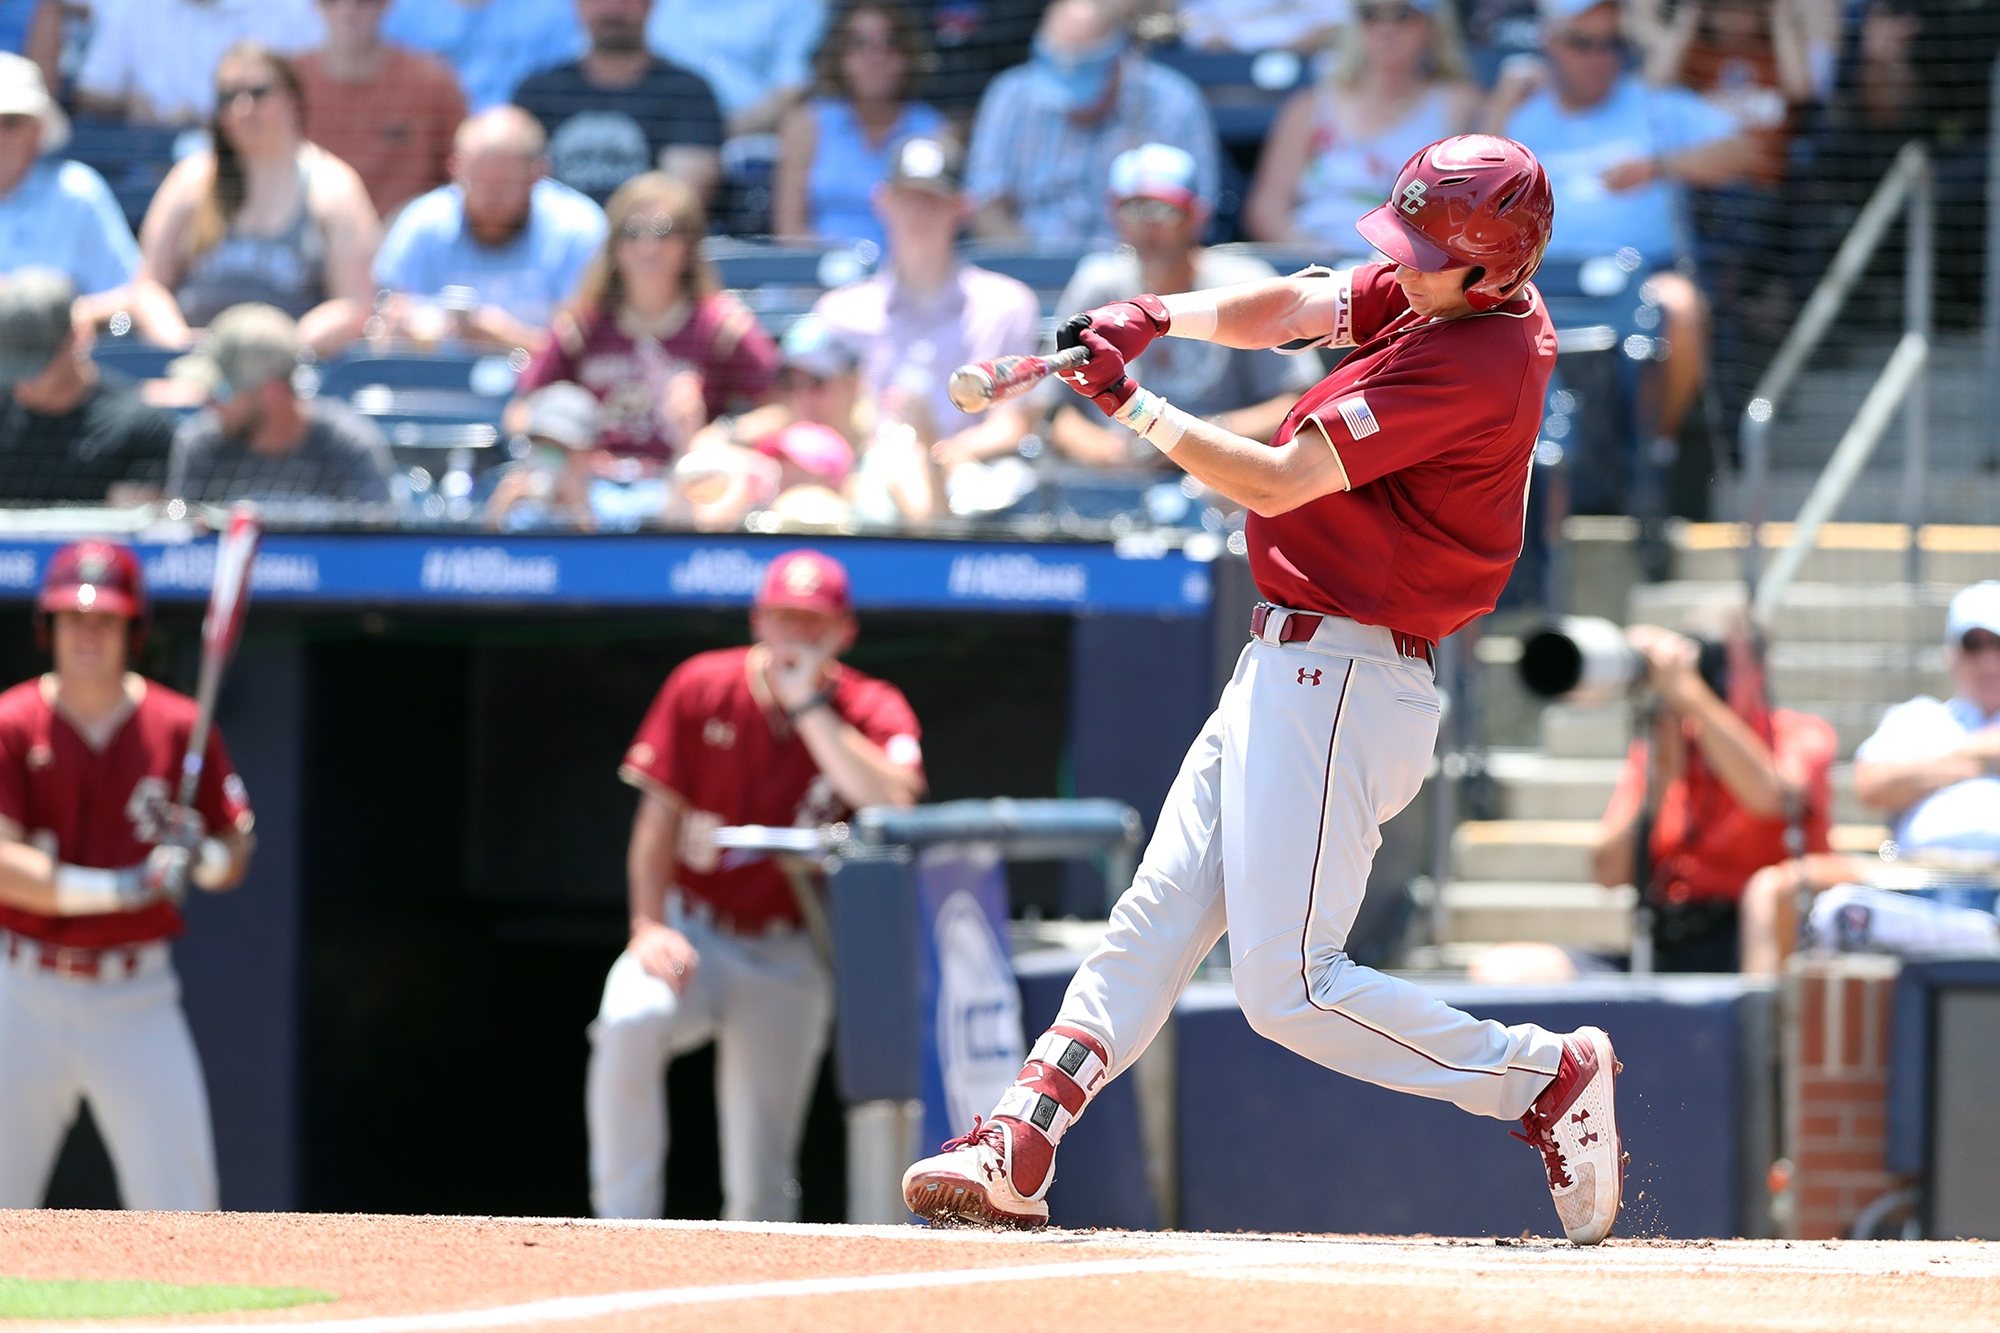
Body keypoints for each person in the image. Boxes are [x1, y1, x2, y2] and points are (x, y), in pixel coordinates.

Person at [902, 135, 1628, 1248]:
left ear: (1493, 270)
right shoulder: (1451, 282)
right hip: (1291, 660)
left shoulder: (1476, 355)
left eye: (1429, 250)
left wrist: (1132, 406)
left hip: (1347, 669)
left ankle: (1540, 1076)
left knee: (1286, 988)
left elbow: (1280, 477)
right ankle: (1019, 1138)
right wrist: (1157, 311)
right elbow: (1300, 303)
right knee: (1151, 918)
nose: (1405, 263)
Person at [589, 548, 924, 1220]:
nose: (796, 634)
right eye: (783, 617)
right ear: (757, 619)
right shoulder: (703, 683)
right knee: (629, 1016)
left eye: (813, 620)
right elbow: (657, 817)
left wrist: (809, 707)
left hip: (790, 947)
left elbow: (897, 803)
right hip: (694, 928)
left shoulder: (870, 704)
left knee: (760, 1180)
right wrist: (647, 923)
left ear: (843, 631)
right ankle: (619, 1225)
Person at [0, 540, 256, 1211]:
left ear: (132, 630)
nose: (87, 632)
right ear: (46, 627)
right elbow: (3, 865)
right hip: (22, 991)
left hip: (135, 996)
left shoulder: (178, 726)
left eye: (105, 619)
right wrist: (123, 885)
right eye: (73, 617)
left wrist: (200, 855)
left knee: (182, 1210)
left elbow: (235, 851)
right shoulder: (11, 721)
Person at [1489, 0, 1756, 520]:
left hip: (1639, 276)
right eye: (1581, 43)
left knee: (1680, 309)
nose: (1598, 58)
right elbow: (1469, 186)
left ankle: (1652, 448)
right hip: (1539, 281)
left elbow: (1743, 151)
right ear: (1549, 44)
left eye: (1611, 44)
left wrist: (1659, 166)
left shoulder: (1653, 104)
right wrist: (1501, 103)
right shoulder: (1521, 113)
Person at [1740, 582, 2000, 974]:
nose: (1988, 662)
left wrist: (1923, 769)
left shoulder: (1923, 736)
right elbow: (1875, 784)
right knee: (1779, 889)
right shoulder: (1919, 717)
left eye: (1998, 645)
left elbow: (1895, 780)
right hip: (1915, 880)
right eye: (1973, 645)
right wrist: (1984, 756)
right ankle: (1764, 1029)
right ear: (1951, 653)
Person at [1048, 143, 1319, 468]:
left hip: (1222, 481)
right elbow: (1053, 412)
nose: (1146, 226)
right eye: (1132, 209)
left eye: (1162, 211)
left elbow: (1297, 403)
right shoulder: (1097, 283)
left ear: (1196, 216)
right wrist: (1111, 454)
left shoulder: (1243, 284)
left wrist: (1193, 436)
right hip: (1117, 483)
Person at [1591, 624, 1836, 973]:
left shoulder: (1799, 733)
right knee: (1517, 967)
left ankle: (1758, 1025)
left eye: (1715, 664)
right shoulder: (1665, 744)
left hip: (1758, 938)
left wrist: (1691, 695)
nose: (1703, 677)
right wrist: (1661, 780)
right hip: (1670, 939)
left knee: (1765, 899)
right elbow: (1606, 872)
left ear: (1759, 672)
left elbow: (1771, 797)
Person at [810, 137, 1039, 488]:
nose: (920, 213)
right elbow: (814, 419)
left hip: (969, 484)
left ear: (961, 207)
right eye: (908, 199)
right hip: (860, 484)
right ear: (882, 201)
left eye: (934, 200)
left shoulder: (1007, 306)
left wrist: (933, 455)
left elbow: (1011, 425)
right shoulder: (838, 312)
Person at [128, 42, 381, 358]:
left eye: (258, 92)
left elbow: (354, 305)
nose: (243, 108)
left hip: (288, 376)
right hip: (193, 366)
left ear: (291, 99)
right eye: (229, 97)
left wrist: (280, 352)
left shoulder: (333, 187)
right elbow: (148, 286)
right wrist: (176, 340)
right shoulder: (191, 180)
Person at [512, 171, 779, 463]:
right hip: (591, 489)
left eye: (665, 232)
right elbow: (522, 410)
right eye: (633, 232)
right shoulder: (580, 327)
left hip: (687, 482)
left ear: (688, 245)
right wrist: (563, 451)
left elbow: (784, 407)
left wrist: (720, 436)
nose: (648, 248)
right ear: (613, 246)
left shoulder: (721, 326)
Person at [963, 0, 1220, 246]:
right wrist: (1033, 271)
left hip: (1132, 276)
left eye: (1083, 69)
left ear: (1118, 55)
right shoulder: (1010, 95)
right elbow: (985, 206)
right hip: (1030, 272)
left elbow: (1196, 215)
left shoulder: (1172, 101)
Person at [1243, 0, 1483, 248]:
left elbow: (1471, 210)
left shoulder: (1459, 105)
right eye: (1370, 14)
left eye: (1403, 15)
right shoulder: (1309, 106)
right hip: (1312, 262)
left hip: (1405, 267)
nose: (1385, 28)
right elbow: (1266, 208)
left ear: (1433, 25)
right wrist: (1314, 255)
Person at [372, 107, 607, 352]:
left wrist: (504, 336)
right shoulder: (422, 224)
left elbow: (582, 353)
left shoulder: (579, 230)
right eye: (477, 183)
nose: (488, 199)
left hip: (541, 387)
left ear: (537, 175)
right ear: (455, 169)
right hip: (434, 384)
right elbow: (382, 325)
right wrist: (396, 329)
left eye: (503, 188)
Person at [165, 302, 397, 504]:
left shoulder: (348, 447)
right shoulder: (201, 447)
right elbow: (185, 546)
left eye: (222, 391)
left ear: (273, 392)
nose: (210, 403)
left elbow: (375, 547)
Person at [772, 0, 947, 251]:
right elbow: (789, 230)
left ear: (909, 55)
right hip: (811, 278)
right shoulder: (805, 125)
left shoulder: (935, 133)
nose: (875, 57)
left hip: (901, 281)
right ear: (839, 55)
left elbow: (936, 232)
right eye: (859, 44)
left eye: (889, 44)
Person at [511, 0, 724, 206]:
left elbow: (680, 204)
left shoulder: (688, 93)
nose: (612, 7)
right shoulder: (537, 92)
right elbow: (512, 186)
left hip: (646, 238)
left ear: (650, 3)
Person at [0, 269, 176, 505]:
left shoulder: (138, 426)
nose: (21, 379)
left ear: (77, 336)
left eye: (36, 361)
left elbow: (139, 534)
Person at [295, 0, 469, 219]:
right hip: (311, 242)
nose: (348, 11)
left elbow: (463, 179)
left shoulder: (433, 82)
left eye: (364, 2)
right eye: (332, 1)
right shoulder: (289, 85)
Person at [0, 54, 141, 312]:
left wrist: (63, 321)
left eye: (10, 122)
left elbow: (132, 296)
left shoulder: (76, 192)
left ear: (38, 130)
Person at [72, 0, 322, 125]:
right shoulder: (134, 7)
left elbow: (320, 83)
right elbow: (90, 91)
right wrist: (128, 104)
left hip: (261, 161)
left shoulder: (288, 8)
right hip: (155, 168)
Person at [643, 0, 828, 137]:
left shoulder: (796, 5)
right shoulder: (663, 5)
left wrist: (717, 133)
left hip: (754, 138)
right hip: (660, 130)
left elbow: (793, 87)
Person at [381, 0, 584, 112]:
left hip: (520, 146)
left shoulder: (553, 9)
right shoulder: (402, 9)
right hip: (430, 140)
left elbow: (571, 80)